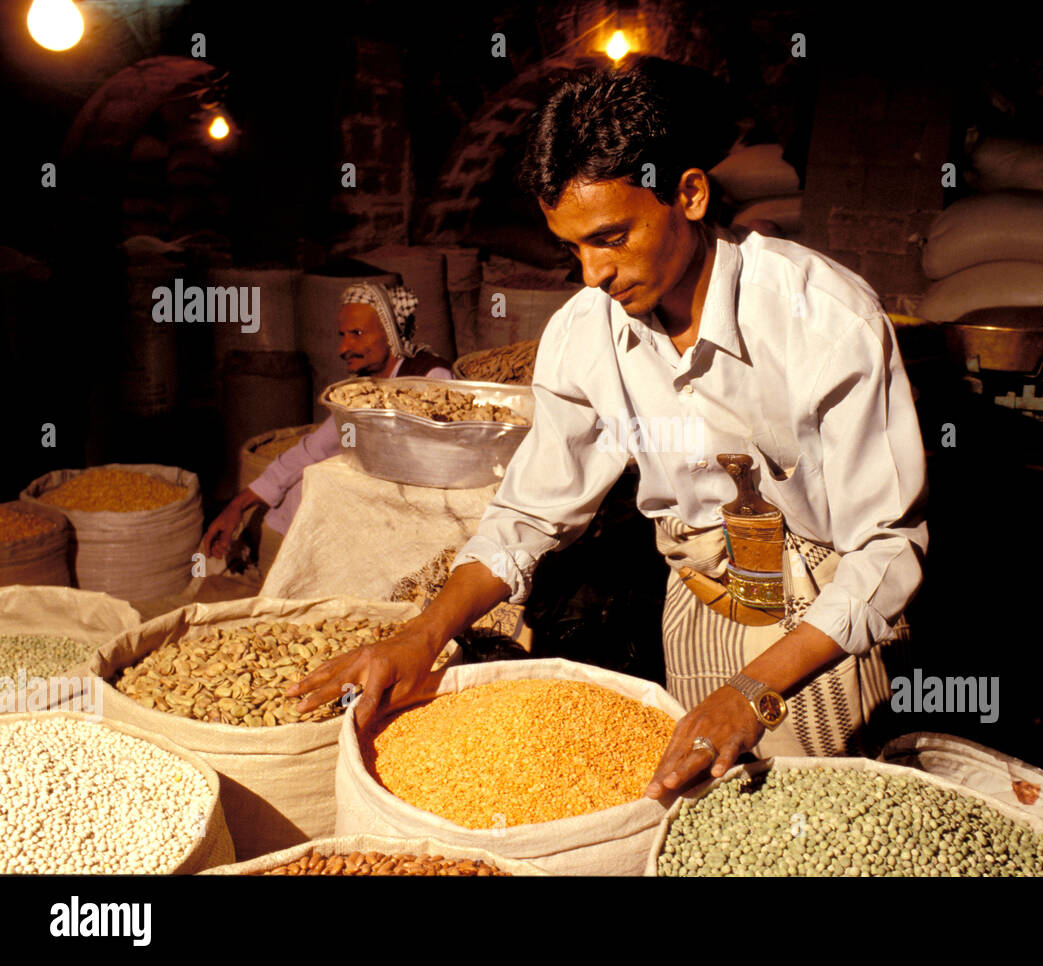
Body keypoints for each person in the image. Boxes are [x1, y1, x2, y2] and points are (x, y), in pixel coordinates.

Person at [289, 59, 927, 801]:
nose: (592, 272)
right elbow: (527, 516)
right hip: (697, 603)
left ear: (687, 194)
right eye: (572, 248)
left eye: (612, 236)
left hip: (815, 627)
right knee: (697, 820)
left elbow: (886, 549)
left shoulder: (823, 319)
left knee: (818, 827)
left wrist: (753, 691)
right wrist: (421, 635)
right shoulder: (586, 335)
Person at [203, 282, 452, 561]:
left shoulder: (429, 378)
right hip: (383, 503)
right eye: (342, 335)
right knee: (302, 486)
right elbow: (313, 450)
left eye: (357, 334)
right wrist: (237, 506)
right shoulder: (362, 391)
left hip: (424, 511)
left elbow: (437, 464)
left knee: (326, 486)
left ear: (390, 334)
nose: (343, 348)